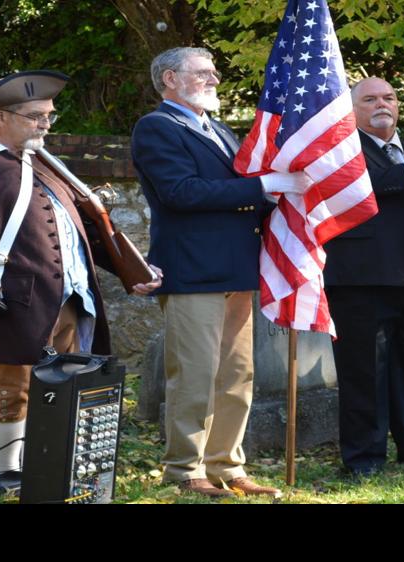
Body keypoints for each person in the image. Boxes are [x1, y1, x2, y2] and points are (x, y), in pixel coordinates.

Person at [0, 70, 162, 490]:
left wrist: (134, 270)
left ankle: (56, 463)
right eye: (36, 116)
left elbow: (81, 230)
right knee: (11, 388)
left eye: (49, 116)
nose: (46, 125)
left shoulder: (41, 161)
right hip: (10, 301)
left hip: (71, 298)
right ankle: (9, 473)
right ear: (0, 117)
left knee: (68, 383)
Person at [130, 46, 307, 498]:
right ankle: (185, 470)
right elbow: (181, 192)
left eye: (213, 72)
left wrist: (270, 193)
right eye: (203, 73)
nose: (214, 80)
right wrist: (261, 187)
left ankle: (226, 464)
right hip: (192, 269)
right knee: (193, 373)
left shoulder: (221, 130)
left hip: (235, 268)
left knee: (237, 374)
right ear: (170, 79)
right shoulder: (157, 127)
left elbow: (236, 189)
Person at [320, 77, 404, 477]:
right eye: (370, 99)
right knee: (363, 372)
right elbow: (348, 191)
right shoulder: (340, 152)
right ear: (352, 110)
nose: (382, 104)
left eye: (389, 97)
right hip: (360, 280)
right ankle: (363, 458)